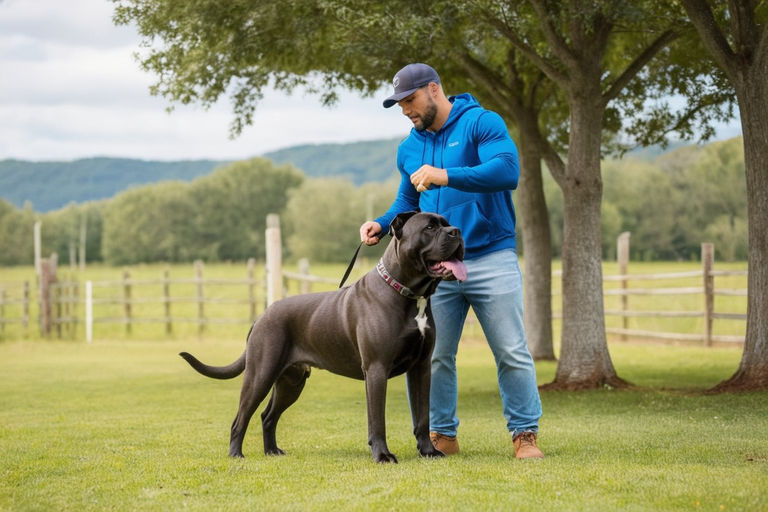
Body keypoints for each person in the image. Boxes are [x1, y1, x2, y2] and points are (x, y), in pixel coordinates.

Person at [359, 63, 544, 459]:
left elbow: (507, 170)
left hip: (491, 255)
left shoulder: (481, 122)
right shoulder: (410, 148)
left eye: (410, 100)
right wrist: (382, 223)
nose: (406, 110)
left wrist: (446, 175)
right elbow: (407, 201)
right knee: (435, 355)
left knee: (511, 350)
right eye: (399, 104)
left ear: (434, 89)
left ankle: (524, 435)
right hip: (434, 271)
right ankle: (441, 435)